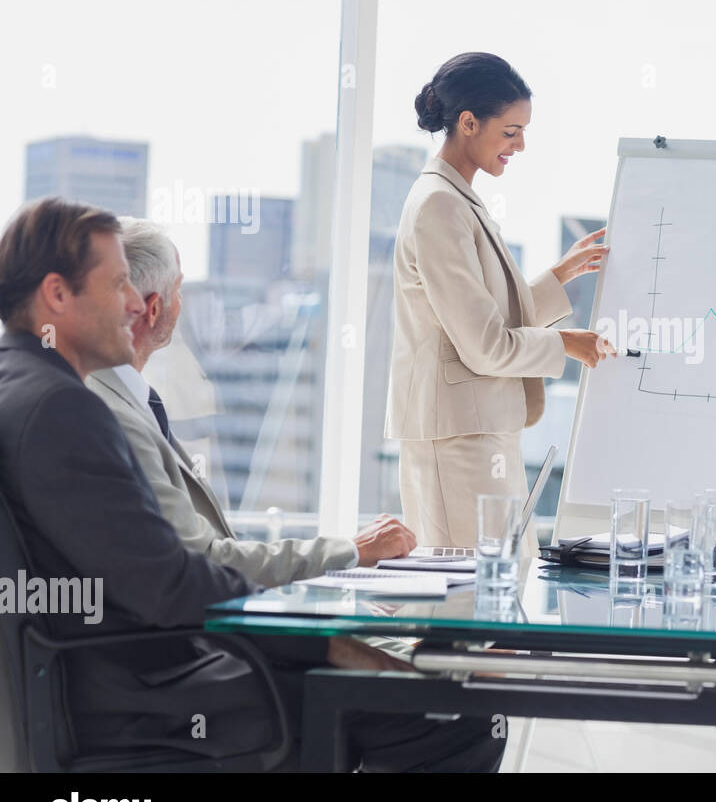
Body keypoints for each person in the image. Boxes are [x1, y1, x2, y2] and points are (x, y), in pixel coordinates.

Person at [0, 197, 504, 770]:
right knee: (455, 715)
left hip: (111, 674)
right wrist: (318, 642)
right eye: (117, 285)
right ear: (57, 295)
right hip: (150, 693)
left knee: (419, 682)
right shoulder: (63, 408)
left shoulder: (20, 384)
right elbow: (166, 582)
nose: (134, 303)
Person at [86, 217, 417, 587]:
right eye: (179, 291)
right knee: (386, 644)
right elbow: (205, 558)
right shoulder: (114, 415)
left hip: (202, 616)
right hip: (194, 632)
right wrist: (353, 550)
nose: (182, 304)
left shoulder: (123, 398)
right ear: (152, 310)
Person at [386, 52, 613, 554]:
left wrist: (560, 275)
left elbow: (479, 317)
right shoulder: (439, 204)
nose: (521, 144)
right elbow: (484, 345)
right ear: (468, 122)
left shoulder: (456, 198)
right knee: (471, 610)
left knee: (499, 602)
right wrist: (565, 344)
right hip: (458, 440)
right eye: (511, 131)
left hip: (478, 432)